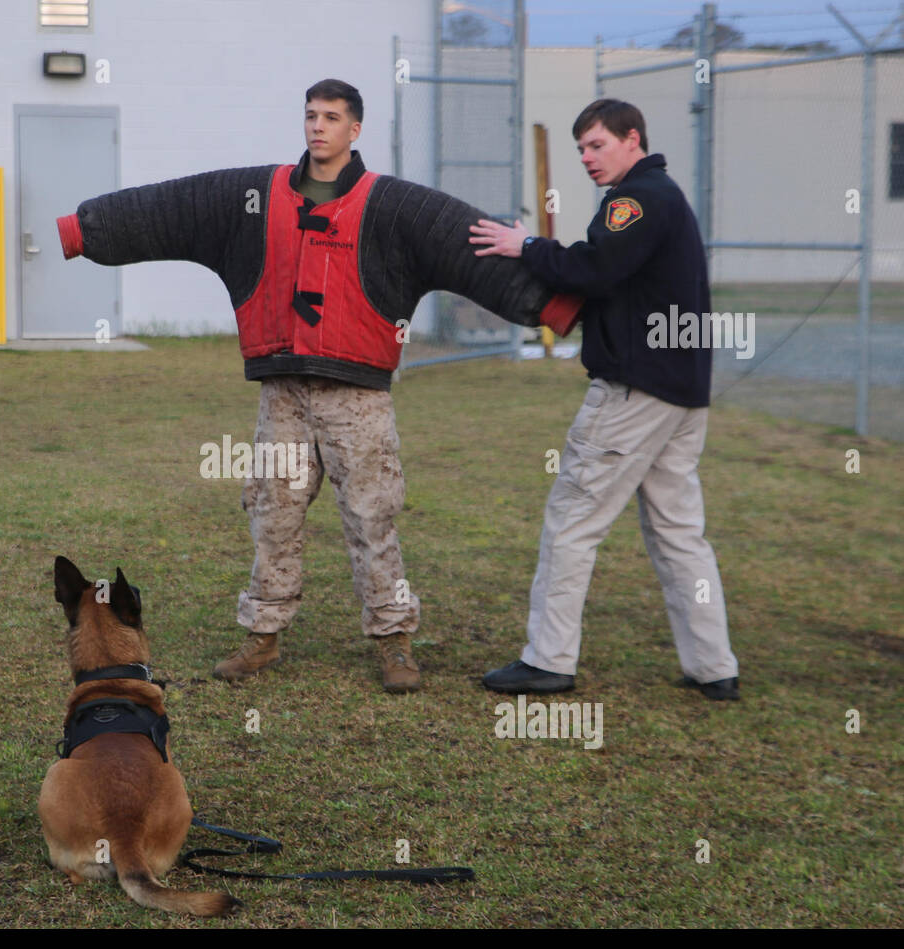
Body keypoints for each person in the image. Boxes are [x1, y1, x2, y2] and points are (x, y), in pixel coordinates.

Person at [57, 79, 580, 693]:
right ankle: (262, 636)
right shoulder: (253, 198)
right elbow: (172, 209)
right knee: (272, 515)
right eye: (310, 115)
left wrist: (553, 304)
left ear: (354, 130)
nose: (318, 126)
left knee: (371, 518)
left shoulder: (392, 207)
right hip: (283, 391)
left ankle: (394, 642)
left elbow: (461, 243)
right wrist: (82, 231)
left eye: (332, 117)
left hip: (357, 397)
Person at [468, 98, 740, 701]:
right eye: (581, 149)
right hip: (682, 393)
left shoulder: (636, 199)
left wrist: (525, 246)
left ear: (632, 138)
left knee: (572, 520)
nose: (588, 158)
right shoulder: (664, 195)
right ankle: (714, 667)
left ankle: (549, 659)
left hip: (635, 392)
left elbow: (592, 270)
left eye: (597, 145)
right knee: (679, 533)